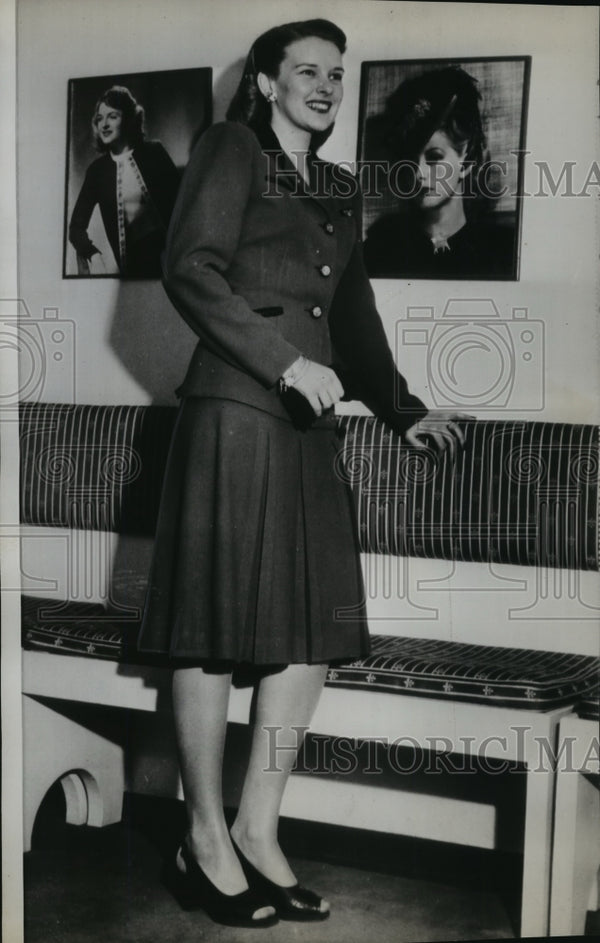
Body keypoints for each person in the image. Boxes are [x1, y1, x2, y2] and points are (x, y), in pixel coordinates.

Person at [137, 18, 469, 928]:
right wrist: (284, 362)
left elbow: (352, 317)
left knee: (311, 632)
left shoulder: (337, 184)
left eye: (336, 72)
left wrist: (404, 410)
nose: (325, 85)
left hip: (306, 425)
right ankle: (201, 837)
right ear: (268, 81)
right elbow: (189, 269)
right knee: (209, 628)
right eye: (307, 70)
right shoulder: (229, 146)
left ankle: (256, 829)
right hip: (237, 416)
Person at [363, 66, 516, 279]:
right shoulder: (380, 250)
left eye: (434, 157)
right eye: (409, 158)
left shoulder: (503, 252)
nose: (419, 172)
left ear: (467, 162)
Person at [68, 85, 180, 278]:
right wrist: (93, 254)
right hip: (134, 269)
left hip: (173, 257)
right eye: (100, 118)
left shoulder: (155, 152)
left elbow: (184, 205)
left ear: (128, 119)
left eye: (112, 116)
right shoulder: (97, 172)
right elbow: (75, 229)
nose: (104, 124)